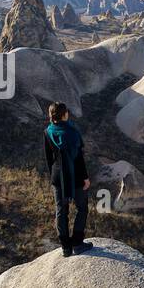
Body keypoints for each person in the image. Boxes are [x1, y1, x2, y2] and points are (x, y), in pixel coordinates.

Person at [43, 102, 91, 257]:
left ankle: (65, 248)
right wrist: (85, 178)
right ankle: (77, 243)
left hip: (58, 177)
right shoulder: (73, 132)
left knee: (61, 210)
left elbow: (48, 158)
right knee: (82, 208)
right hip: (76, 176)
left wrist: (54, 176)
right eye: (67, 112)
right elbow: (78, 159)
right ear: (64, 115)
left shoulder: (48, 131)